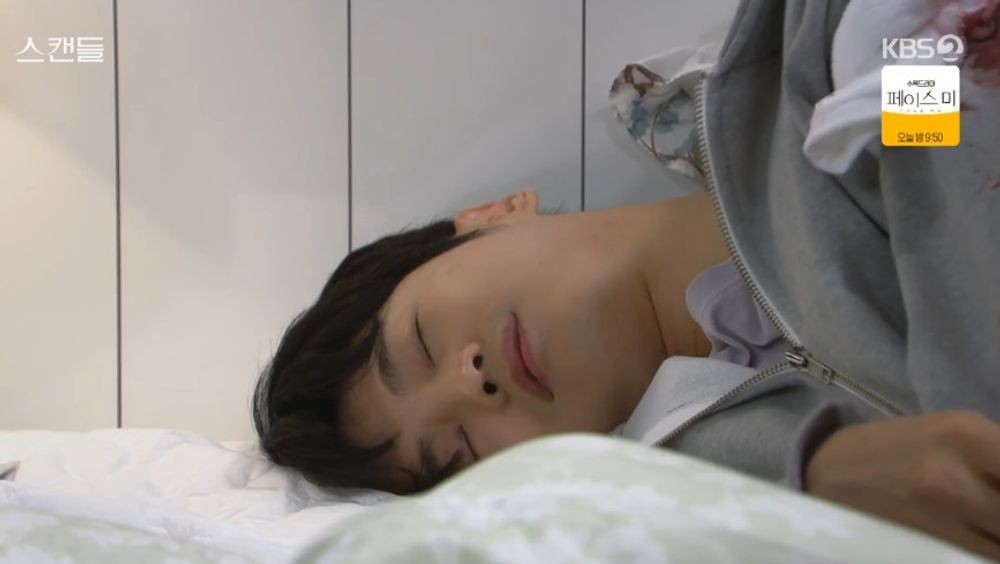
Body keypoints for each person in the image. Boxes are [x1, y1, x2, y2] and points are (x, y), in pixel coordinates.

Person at [253, 0, 1000, 559]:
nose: (470, 383)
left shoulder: (813, 75)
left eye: (419, 342)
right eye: (461, 452)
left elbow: (955, 93)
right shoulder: (735, 489)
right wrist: (819, 474)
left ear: (488, 216)